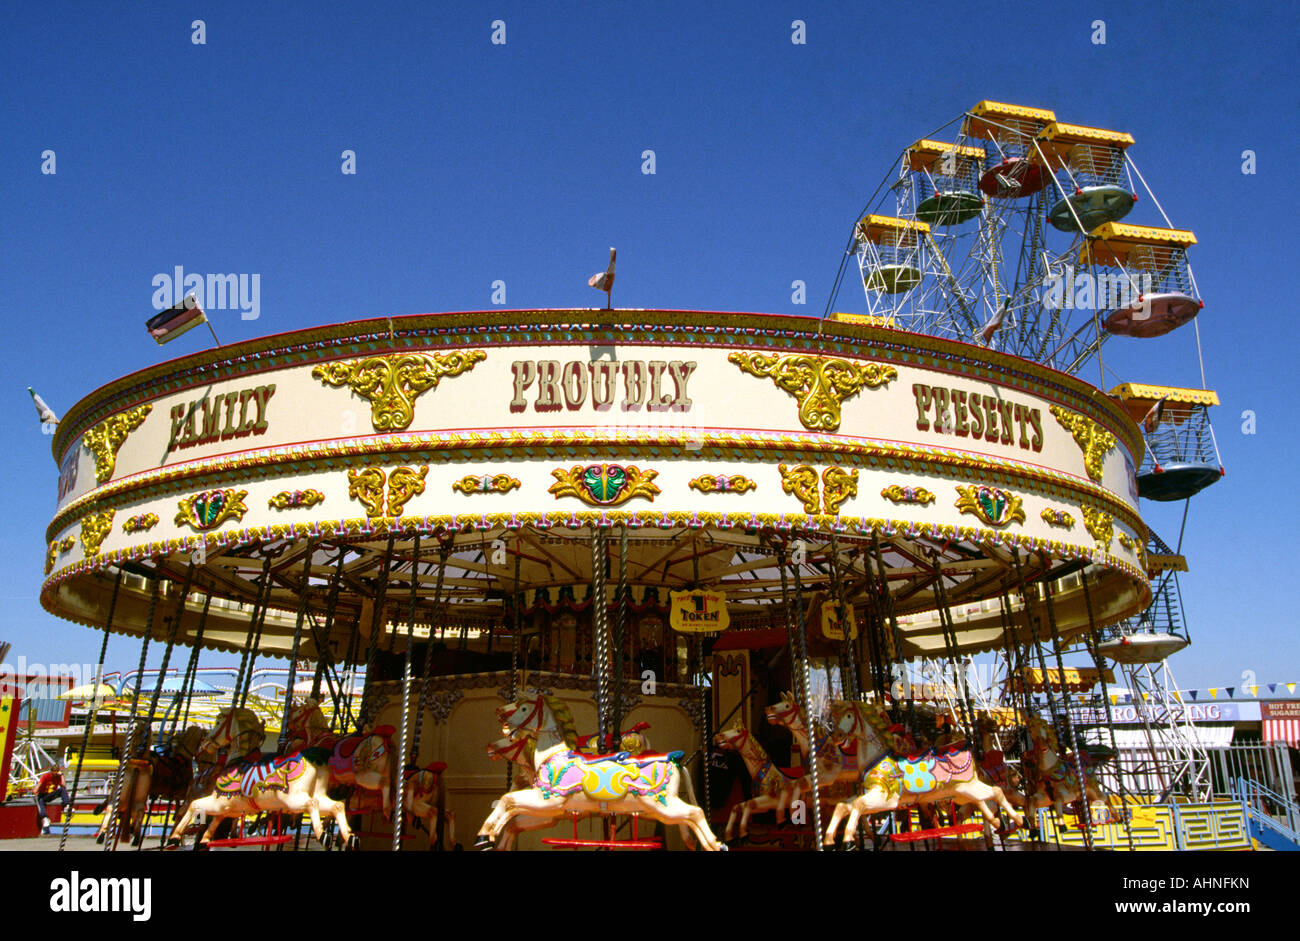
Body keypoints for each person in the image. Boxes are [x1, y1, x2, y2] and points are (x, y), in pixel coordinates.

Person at [35, 764, 69, 835]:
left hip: (50, 795)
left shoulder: (58, 777)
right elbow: (39, 784)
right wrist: (36, 790)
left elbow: (63, 785)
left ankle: (66, 806)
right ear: (52, 771)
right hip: (42, 795)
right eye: (55, 772)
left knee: (62, 790)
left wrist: (61, 775)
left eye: (57, 772)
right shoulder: (46, 776)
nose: (56, 774)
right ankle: (45, 818)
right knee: (41, 801)